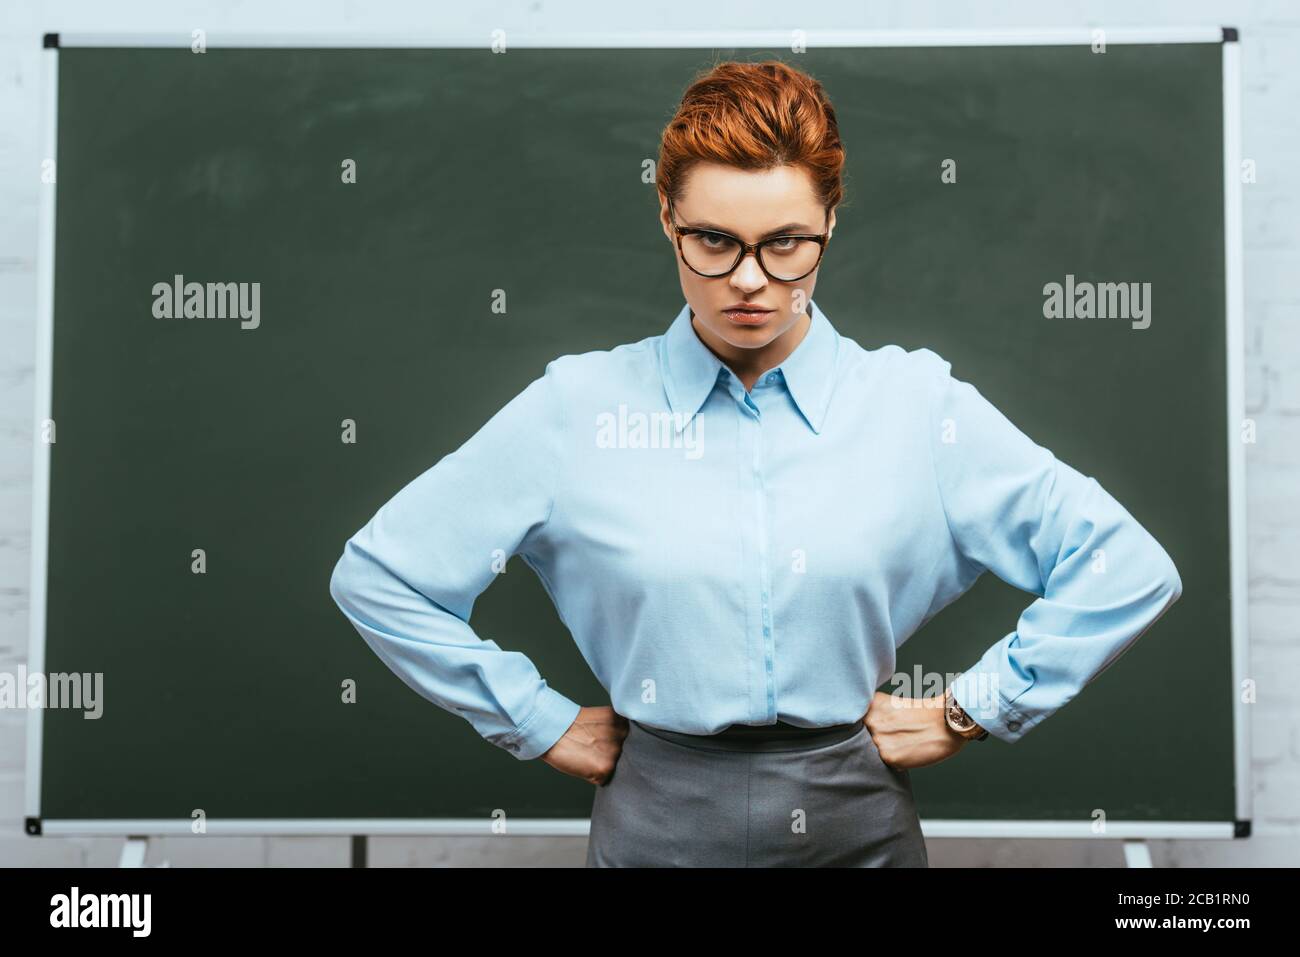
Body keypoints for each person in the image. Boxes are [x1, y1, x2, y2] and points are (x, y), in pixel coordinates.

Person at [329, 59, 1182, 867]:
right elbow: (379, 575)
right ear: (665, 215)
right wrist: (536, 719)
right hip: (654, 817)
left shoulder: (918, 406)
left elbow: (1126, 568)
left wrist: (971, 709)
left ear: (830, 225)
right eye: (714, 240)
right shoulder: (575, 408)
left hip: (859, 822)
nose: (749, 281)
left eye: (786, 244)